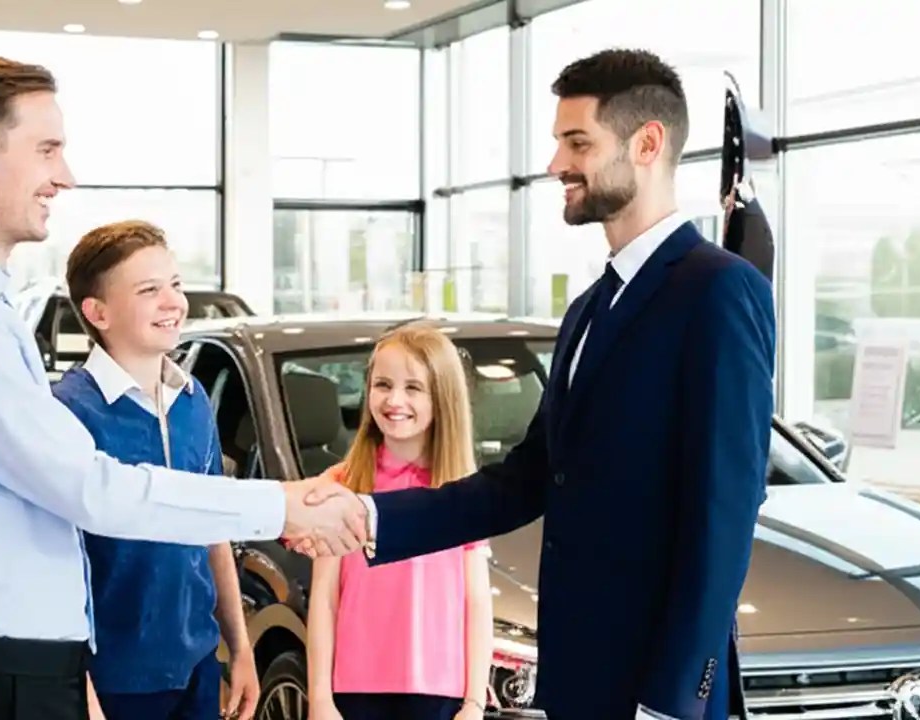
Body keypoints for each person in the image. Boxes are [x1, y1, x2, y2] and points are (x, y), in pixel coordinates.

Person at [0, 54, 367, 720]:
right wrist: (283, 505)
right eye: (47, 150)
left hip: (22, 669)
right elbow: (91, 489)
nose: (63, 176)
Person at [303, 49, 776, 720]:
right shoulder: (589, 308)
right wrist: (366, 515)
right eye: (558, 143)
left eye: (577, 142)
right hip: (579, 678)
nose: (557, 164)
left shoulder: (719, 291)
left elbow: (723, 513)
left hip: (654, 691)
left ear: (647, 143)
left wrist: (673, 700)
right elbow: (524, 481)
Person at [50, 219, 259, 720]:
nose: (173, 303)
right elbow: (52, 565)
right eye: (149, 290)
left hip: (196, 665)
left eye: (176, 285)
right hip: (111, 680)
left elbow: (214, 530)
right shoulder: (66, 413)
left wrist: (240, 648)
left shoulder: (194, 401)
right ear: (97, 312)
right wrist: (79, 687)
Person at [305, 323, 492, 720]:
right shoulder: (342, 484)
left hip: (442, 692)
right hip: (354, 690)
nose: (394, 400)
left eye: (413, 388)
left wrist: (474, 701)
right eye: (383, 384)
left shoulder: (462, 493)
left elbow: (476, 603)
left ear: (442, 398)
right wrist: (320, 697)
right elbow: (324, 598)